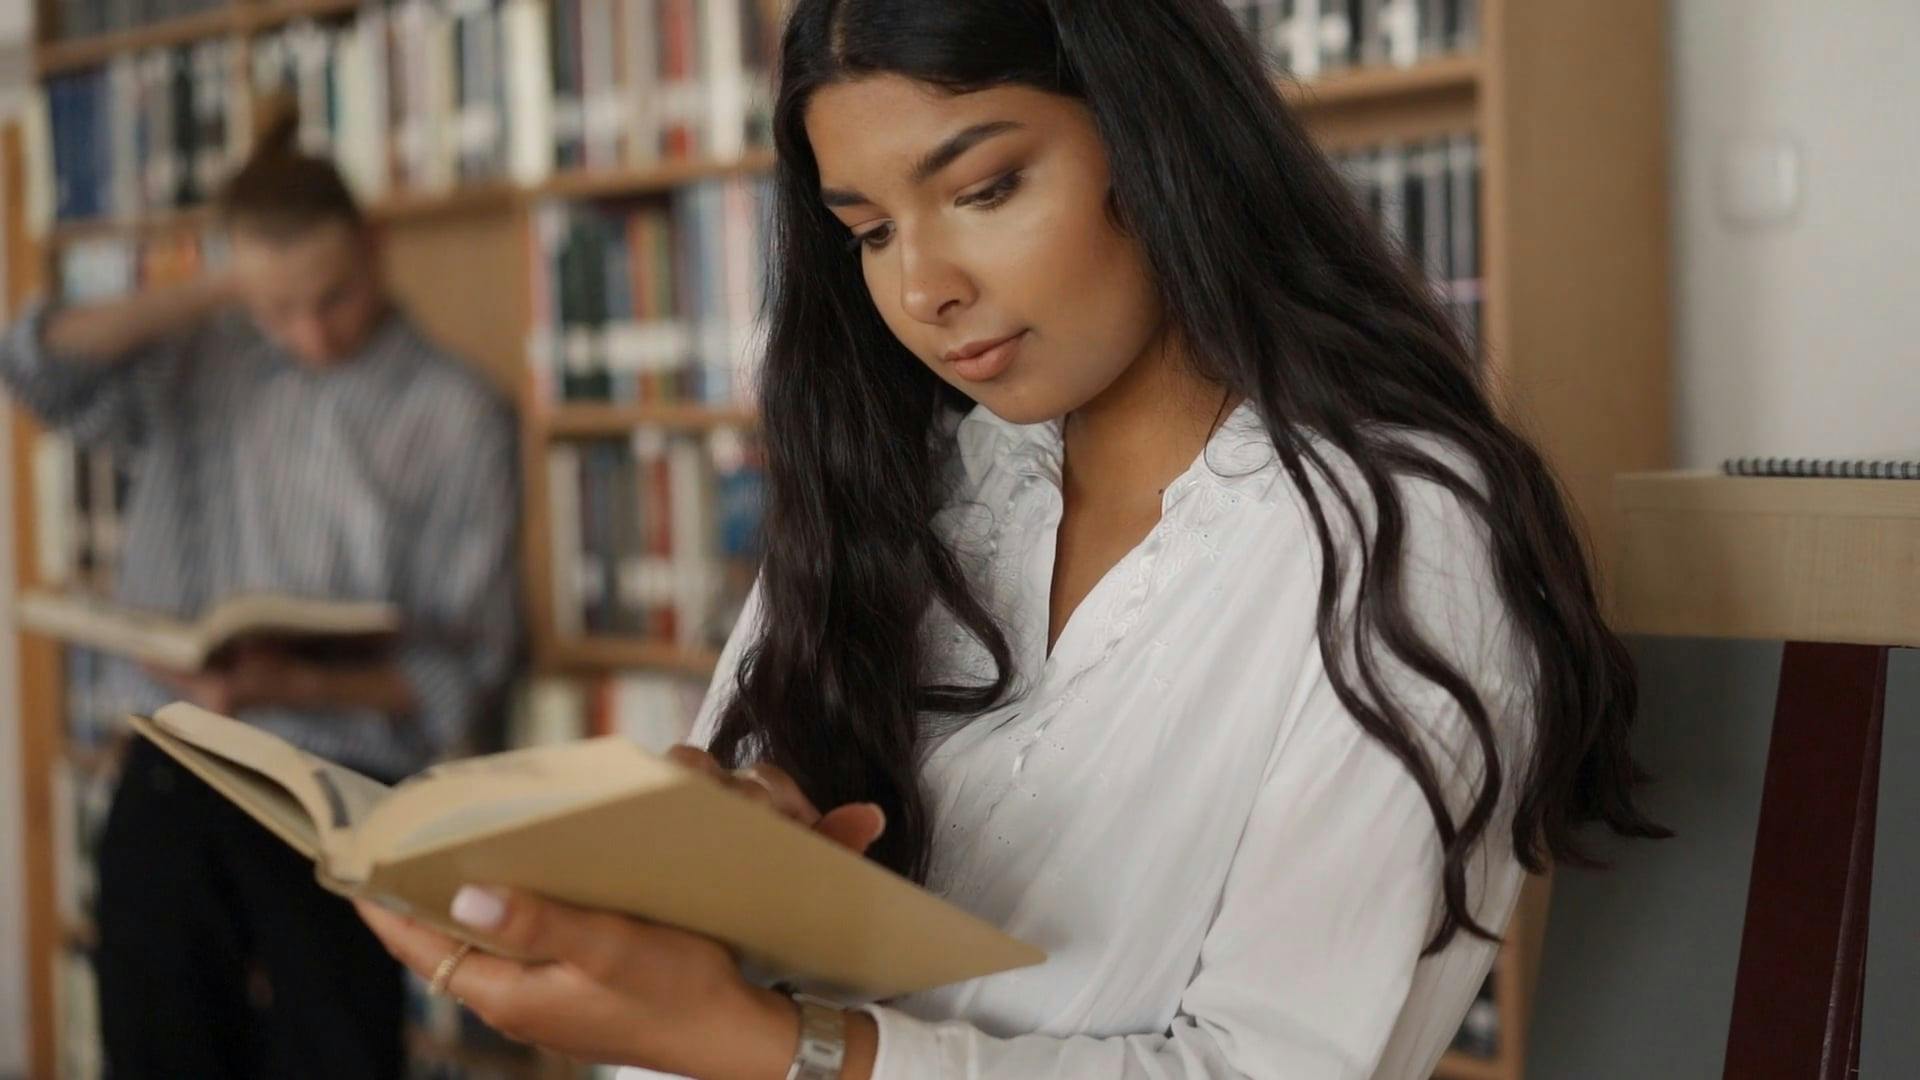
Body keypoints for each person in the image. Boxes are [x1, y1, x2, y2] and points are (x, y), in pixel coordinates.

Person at [357, 1, 1666, 1077]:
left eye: (984, 187)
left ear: (1157, 145)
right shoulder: (902, 493)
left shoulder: (1393, 545)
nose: (924, 288)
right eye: (867, 232)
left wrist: (782, 1042)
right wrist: (709, 905)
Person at [1, 110, 522, 1078]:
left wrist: (294, 684)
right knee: (156, 1051)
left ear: (374, 247)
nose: (310, 334)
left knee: (338, 1057)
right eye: (277, 308)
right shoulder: (202, 363)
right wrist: (218, 287)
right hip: (173, 769)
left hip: (346, 800)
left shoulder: (459, 415)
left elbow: (474, 666)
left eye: (331, 297)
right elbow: (32, 367)